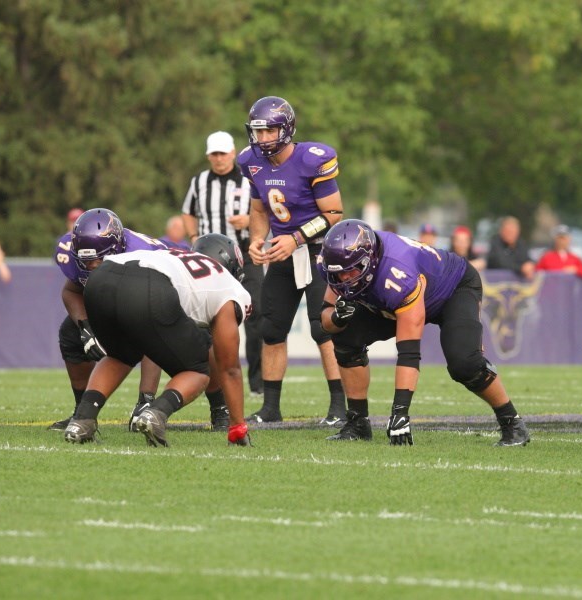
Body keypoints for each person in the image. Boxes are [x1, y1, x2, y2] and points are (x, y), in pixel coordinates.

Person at [317, 219, 530, 447]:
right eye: (339, 274)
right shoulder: (339, 260)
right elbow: (326, 319)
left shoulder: (398, 271)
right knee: (346, 335)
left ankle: (512, 423)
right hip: (395, 299)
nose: (345, 279)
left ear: (370, 260)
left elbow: (408, 352)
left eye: (352, 271)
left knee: (465, 363)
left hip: (453, 289)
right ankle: (358, 422)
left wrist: (400, 413)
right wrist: (337, 318)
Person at [64, 234, 253, 448]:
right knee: (199, 370)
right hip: (148, 286)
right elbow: (229, 368)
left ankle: (82, 420)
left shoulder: (176, 257)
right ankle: (156, 414)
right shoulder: (231, 288)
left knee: (121, 354)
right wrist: (237, 427)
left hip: (100, 279)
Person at [238, 96, 346, 425]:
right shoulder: (251, 162)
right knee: (271, 329)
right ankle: (271, 408)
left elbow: (334, 213)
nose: (263, 138)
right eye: (258, 131)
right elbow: (258, 211)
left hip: (319, 252)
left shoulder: (313, 159)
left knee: (323, 327)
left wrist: (296, 237)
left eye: (270, 130)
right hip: (283, 253)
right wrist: (257, 240)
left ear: (285, 130)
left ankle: (340, 407)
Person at [49, 209, 197, 432]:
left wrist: (144, 400)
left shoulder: (143, 256)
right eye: (86, 260)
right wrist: (85, 327)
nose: (91, 266)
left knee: (155, 335)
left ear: (117, 248)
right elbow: (71, 291)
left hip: (170, 293)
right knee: (70, 335)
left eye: (97, 259)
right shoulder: (70, 250)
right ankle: (82, 413)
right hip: (115, 294)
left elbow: (152, 326)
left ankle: (152, 403)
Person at [182, 130, 262, 394]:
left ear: (232, 153)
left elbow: (265, 213)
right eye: (214, 154)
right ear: (208, 156)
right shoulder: (199, 182)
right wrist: (194, 236)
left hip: (245, 255)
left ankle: (257, 381)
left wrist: (249, 221)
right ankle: (207, 377)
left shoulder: (250, 179)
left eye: (223, 153)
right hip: (208, 261)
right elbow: (188, 212)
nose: (219, 159)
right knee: (203, 317)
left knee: (254, 315)